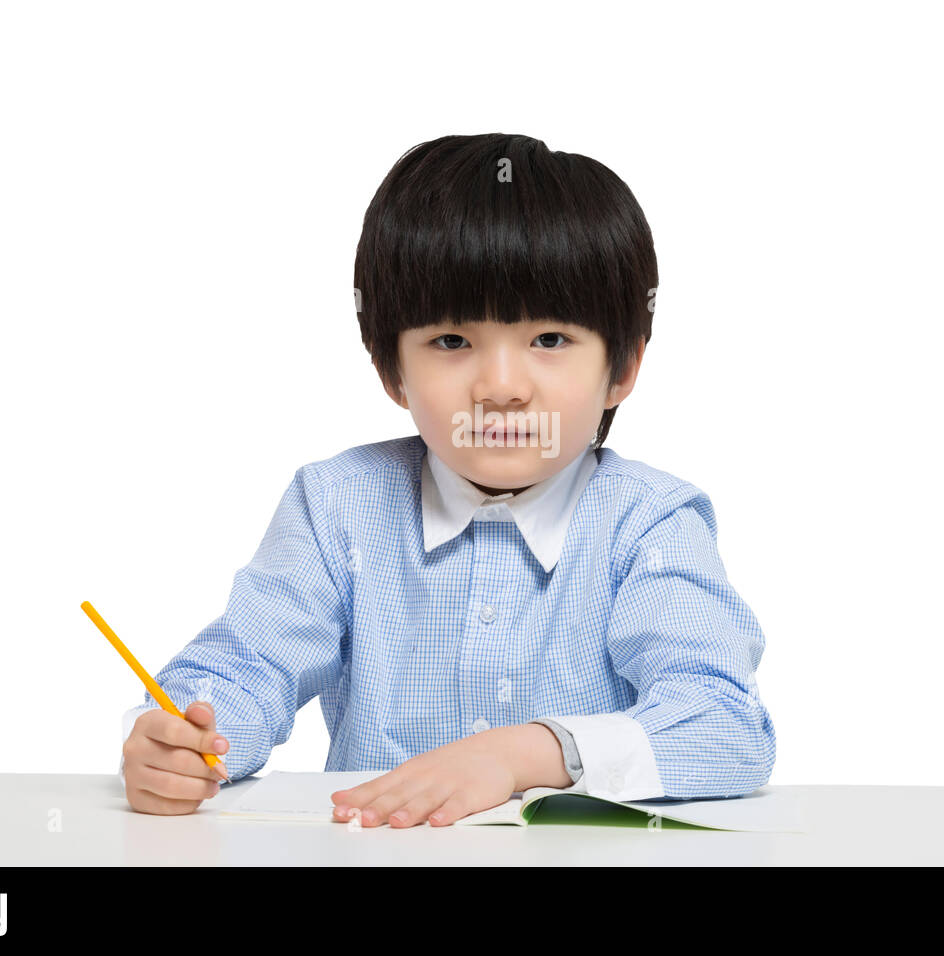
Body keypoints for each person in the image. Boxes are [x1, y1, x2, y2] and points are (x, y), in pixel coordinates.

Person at [119, 132, 776, 825]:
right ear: (391, 370)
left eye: (549, 339)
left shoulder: (649, 522)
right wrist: (186, 743)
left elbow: (724, 725)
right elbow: (248, 667)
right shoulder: (339, 506)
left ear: (623, 367)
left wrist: (523, 754)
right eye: (452, 342)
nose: (500, 388)